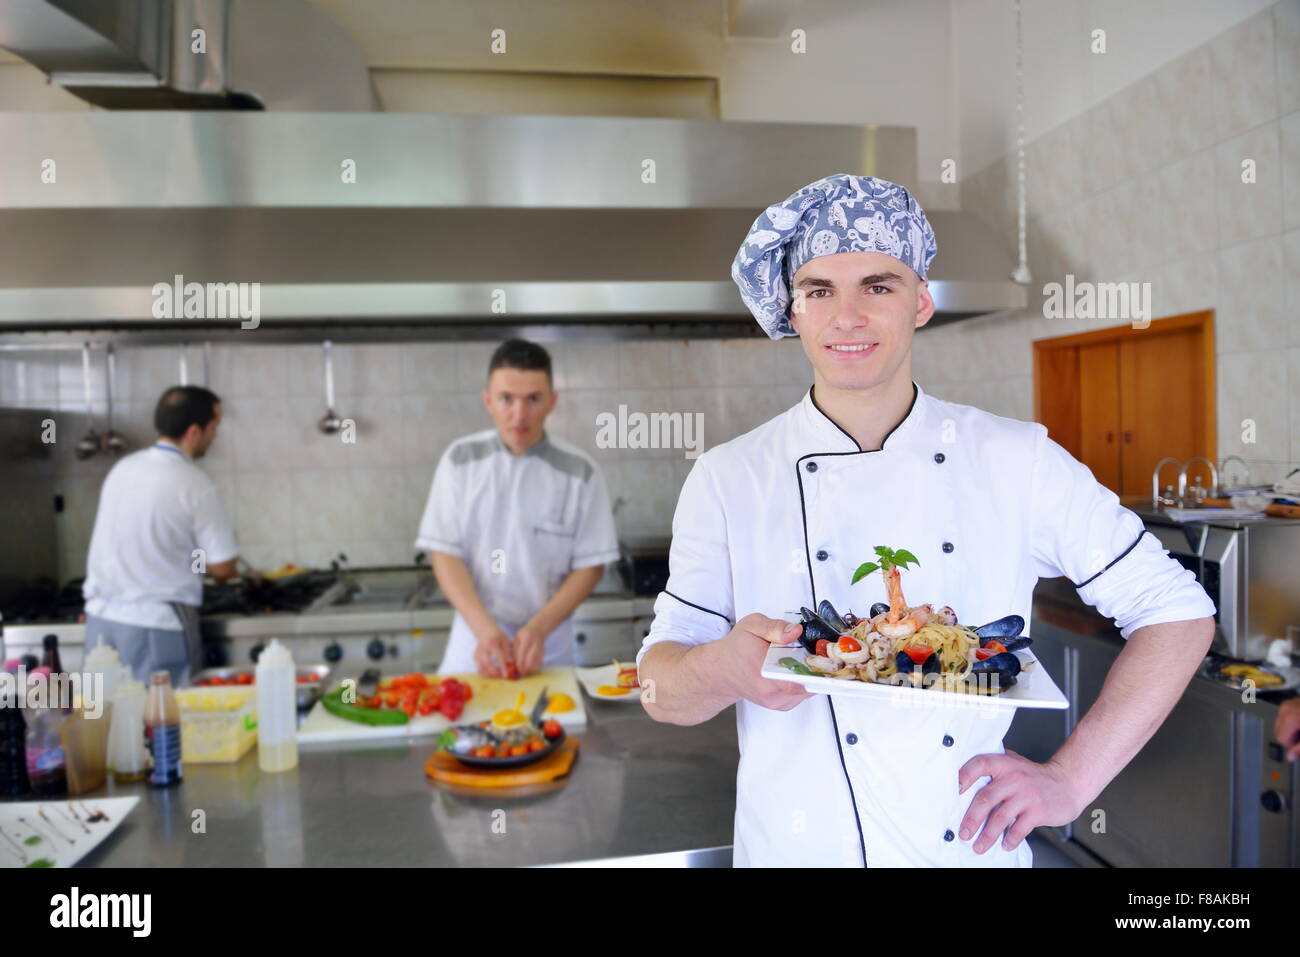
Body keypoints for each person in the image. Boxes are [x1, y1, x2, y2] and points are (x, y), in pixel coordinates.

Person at [638, 174, 1217, 867]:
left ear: (921, 302)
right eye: (819, 290)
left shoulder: (1015, 457)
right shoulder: (730, 476)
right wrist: (722, 668)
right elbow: (659, 688)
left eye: (877, 286)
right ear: (793, 310)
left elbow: (1178, 611)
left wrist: (1070, 780)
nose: (845, 317)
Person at [418, 339, 619, 678]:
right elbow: (444, 554)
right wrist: (486, 632)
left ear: (552, 401)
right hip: (474, 639)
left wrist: (537, 630)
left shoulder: (580, 472)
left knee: (552, 728)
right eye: (506, 399)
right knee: (462, 728)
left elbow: (590, 567)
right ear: (488, 400)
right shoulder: (460, 461)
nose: (519, 414)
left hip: (548, 642)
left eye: (533, 399)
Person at [83, 385, 241, 686]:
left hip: (100, 623)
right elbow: (223, 568)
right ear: (194, 431)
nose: (215, 436)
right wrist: (204, 562)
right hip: (155, 626)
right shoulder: (195, 482)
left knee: (104, 724)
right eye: (214, 427)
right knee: (164, 724)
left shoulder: (123, 468)